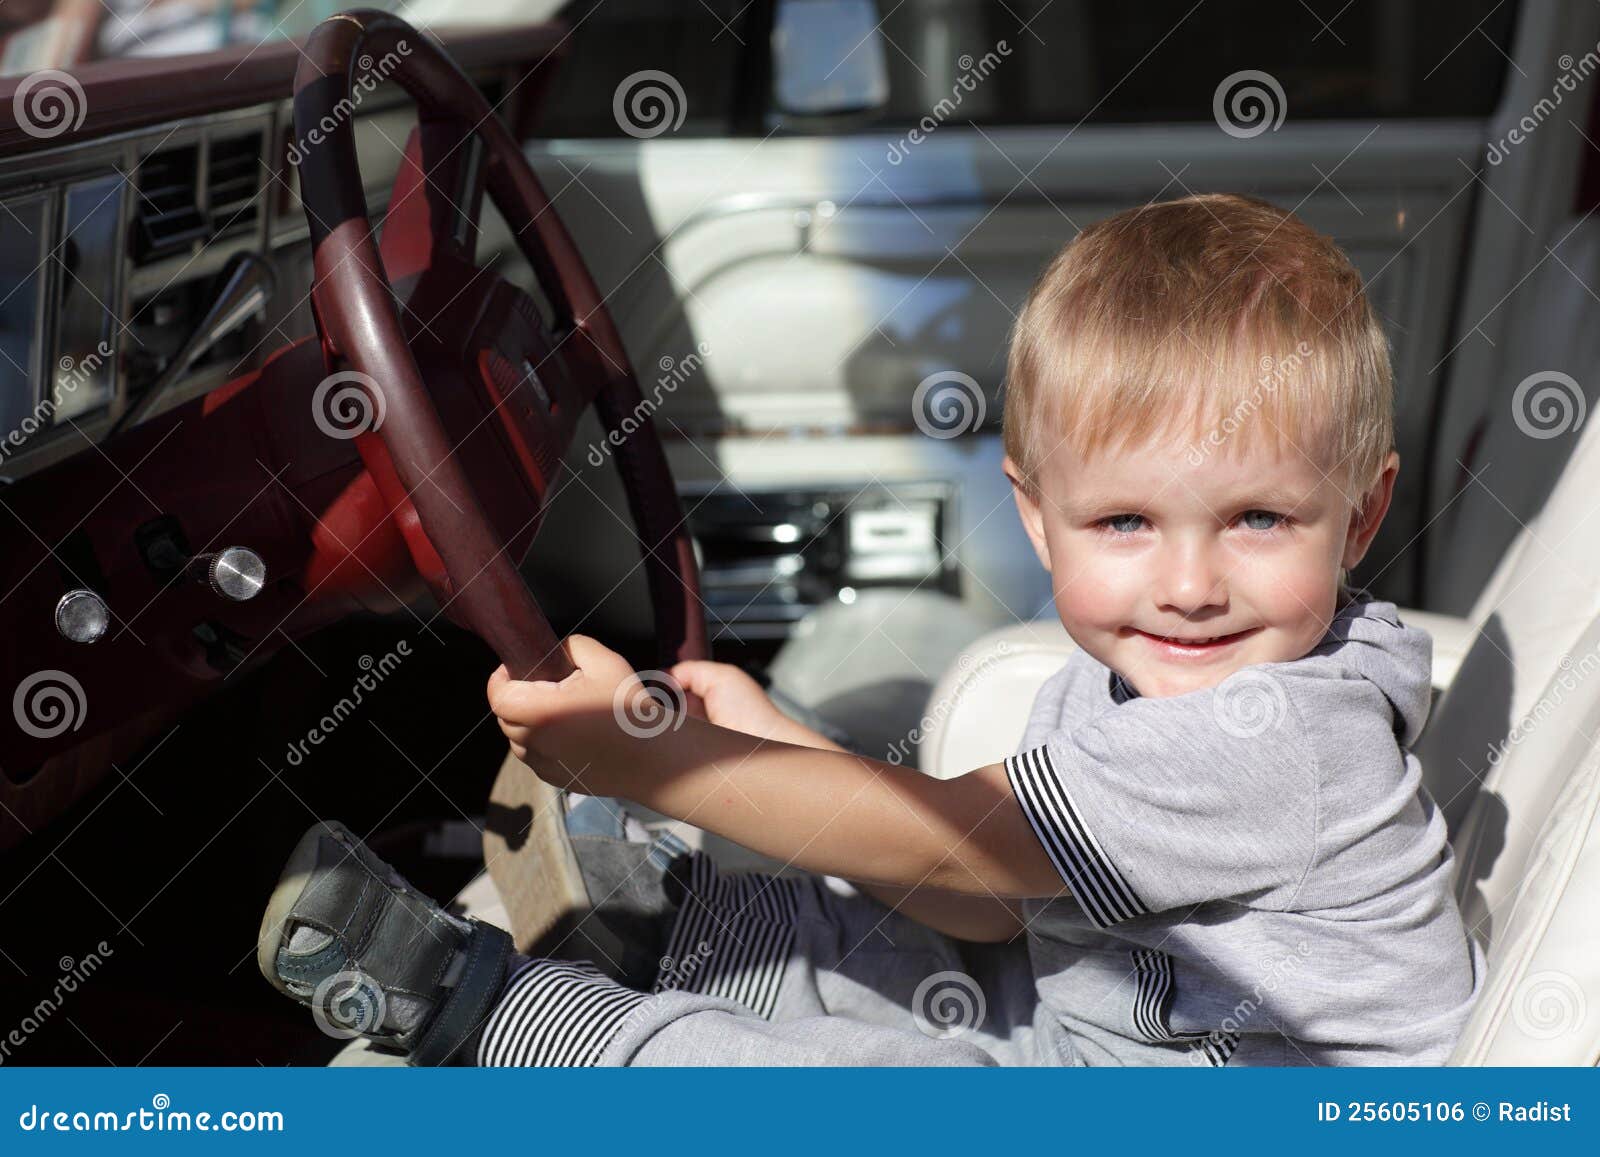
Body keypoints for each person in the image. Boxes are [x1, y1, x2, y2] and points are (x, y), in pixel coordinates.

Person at [256, 193, 1485, 1067]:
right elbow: (996, 905)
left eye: (1258, 518)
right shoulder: (1155, 688)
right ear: (1037, 516)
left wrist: (664, 765)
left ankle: (488, 1006)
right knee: (898, 955)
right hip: (1100, 1035)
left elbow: (965, 850)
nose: (1189, 582)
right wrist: (781, 736)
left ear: (1361, 511)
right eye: (1123, 520)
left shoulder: (1274, 734)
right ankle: (678, 925)